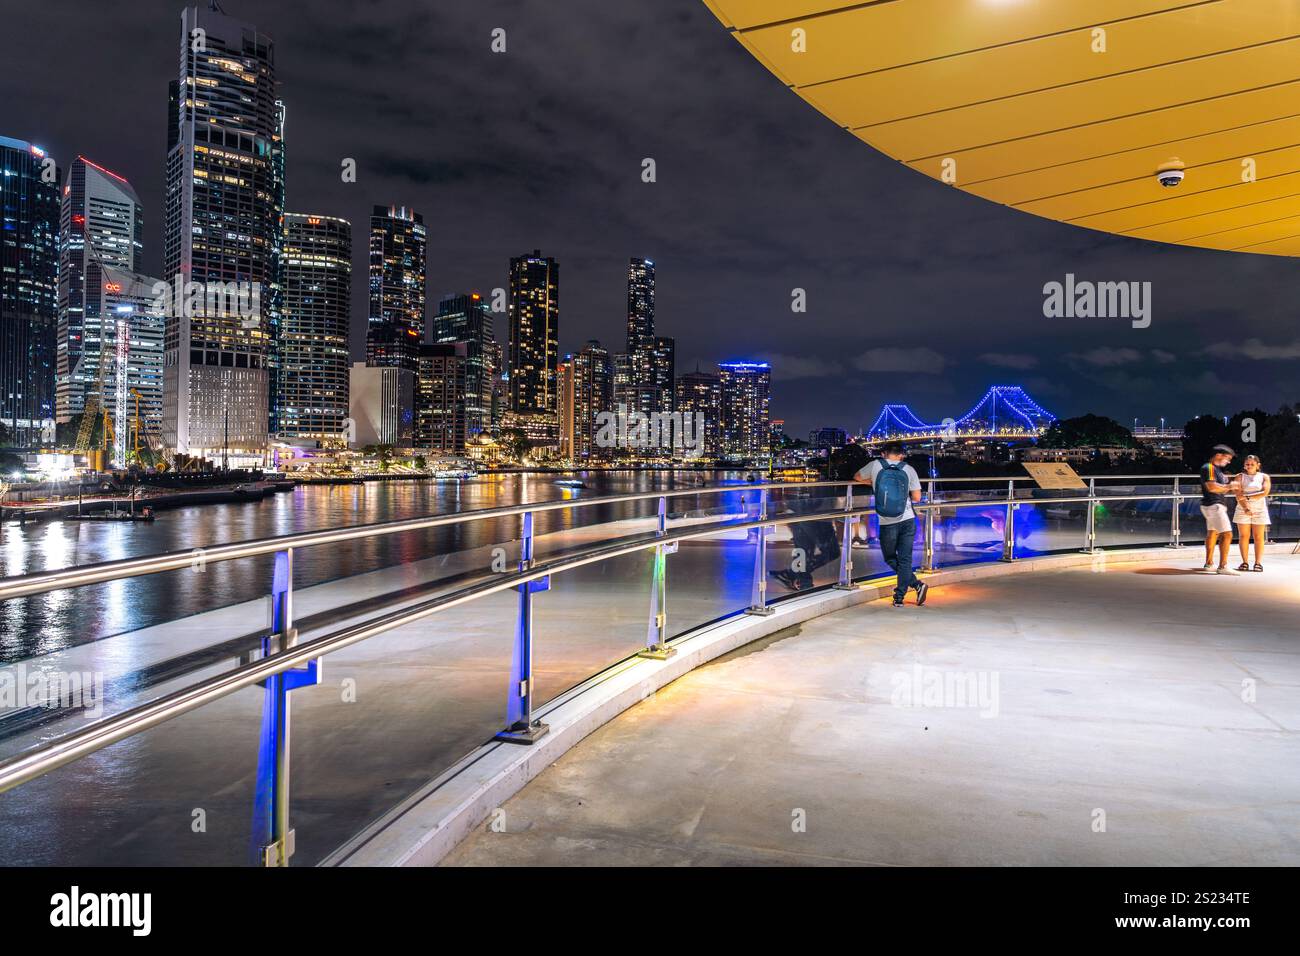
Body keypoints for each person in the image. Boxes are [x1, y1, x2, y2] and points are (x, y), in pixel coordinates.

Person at [855, 443, 928, 607]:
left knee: (889, 557)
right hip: (908, 519)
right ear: (901, 455)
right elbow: (916, 497)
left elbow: (857, 477)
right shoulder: (908, 469)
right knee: (905, 560)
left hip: (887, 521)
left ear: (883, 453)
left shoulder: (875, 465)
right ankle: (901, 597)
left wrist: (876, 484)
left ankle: (917, 585)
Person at [1199, 444, 1238, 574]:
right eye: (1227, 458)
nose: (1229, 461)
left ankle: (1209, 563)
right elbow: (1211, 487)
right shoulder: (1209, 468)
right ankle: (1223, 566)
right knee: (1227, 534)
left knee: (1212, 533)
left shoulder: (1216, 470)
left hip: (1211, 505)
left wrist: (1229, 485)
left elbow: (1218, 487)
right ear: (1218, 455)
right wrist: (1229, 486)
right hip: (1214, 505)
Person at [1233, 454, 1271, 572]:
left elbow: (1265, 492)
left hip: (1260, 509)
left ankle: (1258, 563)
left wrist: (1247, 496)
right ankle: (1244, 562)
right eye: (1247, 464)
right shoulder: (1239, 477)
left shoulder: (1264, 476)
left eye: (1252, 464)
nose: (1249, 466)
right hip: (1243, 508)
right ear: (1244, 465)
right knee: (1243, 536)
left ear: (1257, 465)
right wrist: (1246, 507)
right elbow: (1238, 494)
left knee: (1258, 536)